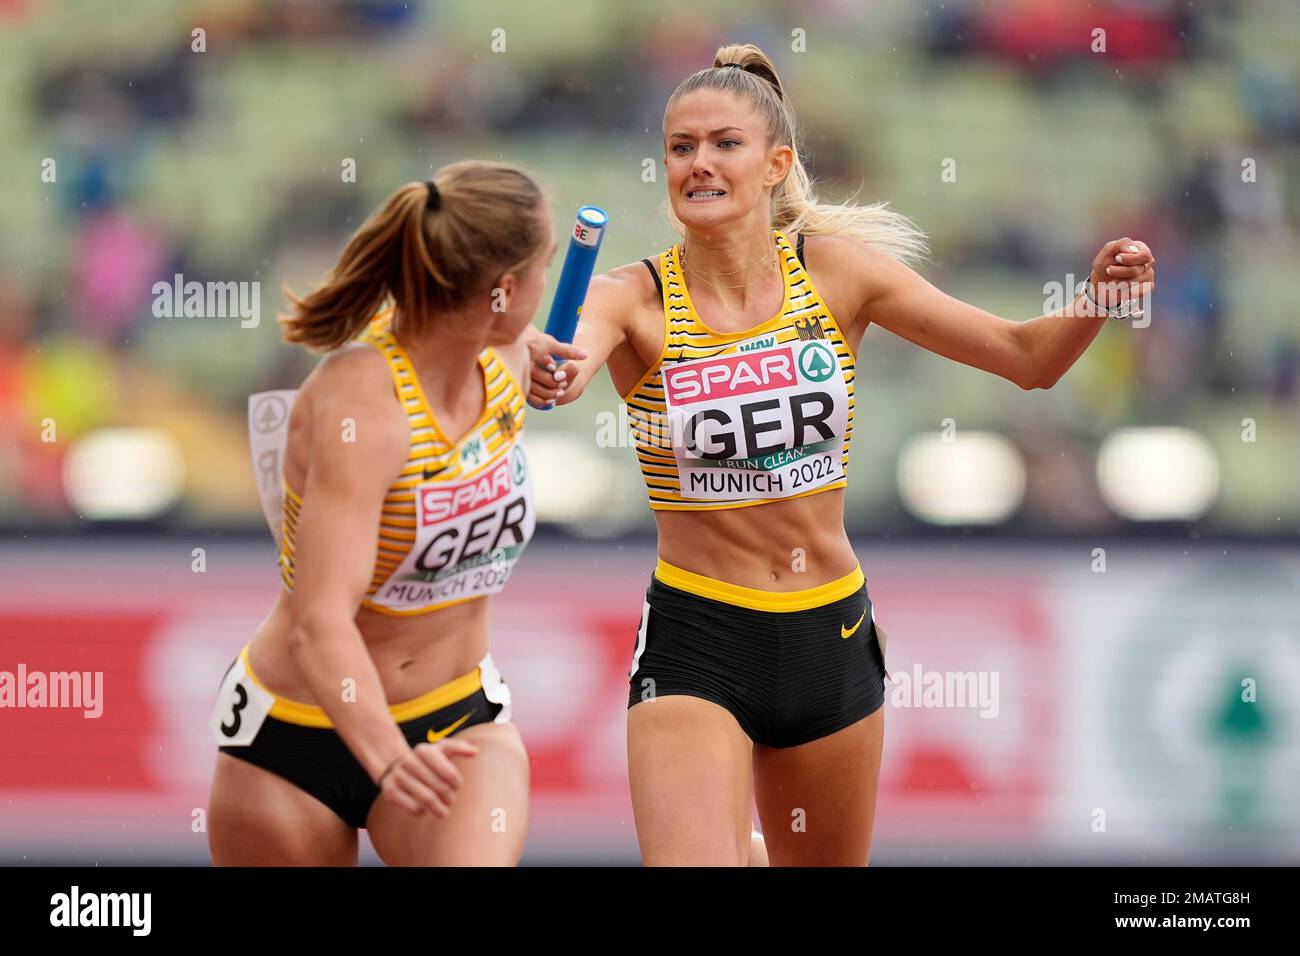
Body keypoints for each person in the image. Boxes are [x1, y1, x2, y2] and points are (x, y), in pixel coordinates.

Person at [529, 43, 1155, 866]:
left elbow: (1025, 357)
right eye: (681, 148)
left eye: (725, 144)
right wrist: (547, 366)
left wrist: (1096, 300)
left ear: (776, 163)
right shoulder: (633, 298)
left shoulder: (837, 275)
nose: (699, 164)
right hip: (699, 635)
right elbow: (555, 357)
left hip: (831, 631)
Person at [207, 161, 584, 866]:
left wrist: (542, 350)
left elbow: (515, 336)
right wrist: (383, 756)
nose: (552, 283)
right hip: (295, 734)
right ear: (502, 288)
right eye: (546, 264)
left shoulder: (497, 350)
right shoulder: (363, 408)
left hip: (453, 721)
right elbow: (321, 619)